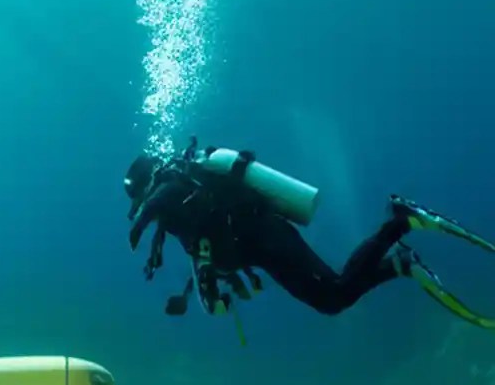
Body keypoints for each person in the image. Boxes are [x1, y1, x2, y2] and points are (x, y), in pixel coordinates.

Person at [124, 136, 495, 328]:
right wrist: (208, 297)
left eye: (139, 198)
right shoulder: (184, 209)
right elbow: (203, 260)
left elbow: (162, 197)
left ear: (144, 186)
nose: (143, 206)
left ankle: (399, 224)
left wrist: (141, 223)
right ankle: (399, 260)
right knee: (331, 300)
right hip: (264, 247)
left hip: (269, 236)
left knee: (333, 291)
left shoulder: (173, 185)